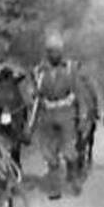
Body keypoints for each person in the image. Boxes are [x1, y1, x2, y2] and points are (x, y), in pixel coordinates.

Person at [32, 29, 80, 198]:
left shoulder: (70, 68)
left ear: (62, 51)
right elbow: (36, 95)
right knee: (49, 154)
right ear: (47, 53)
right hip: (47, 116)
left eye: (58, 50)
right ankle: (55, 187)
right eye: (51, 51)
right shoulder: (39, 72)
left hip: (66, 113)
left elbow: (77, 91)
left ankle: (73, 177)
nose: (55, 54)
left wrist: (78, 113)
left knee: (69, 151)